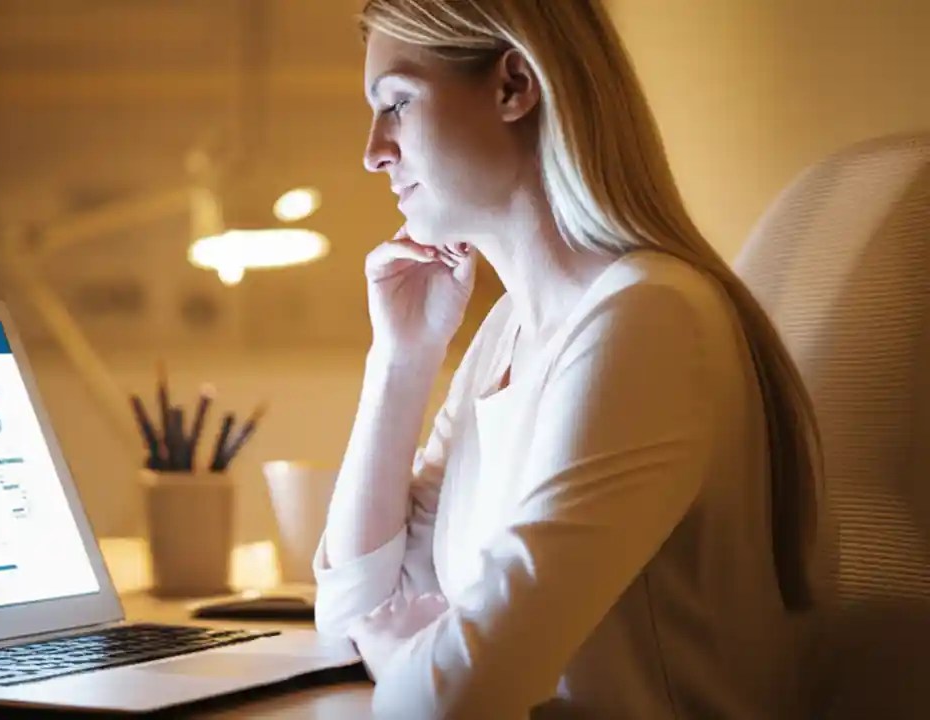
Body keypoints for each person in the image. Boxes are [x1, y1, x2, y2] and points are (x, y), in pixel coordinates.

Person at [313, 1, 827, 718]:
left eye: (397, 102)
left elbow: (450, 699)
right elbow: (346, 617)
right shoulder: (506, 334)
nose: (373, 150)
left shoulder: (648, 320)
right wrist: (399, 363)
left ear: (513, 86)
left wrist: (402, 656)